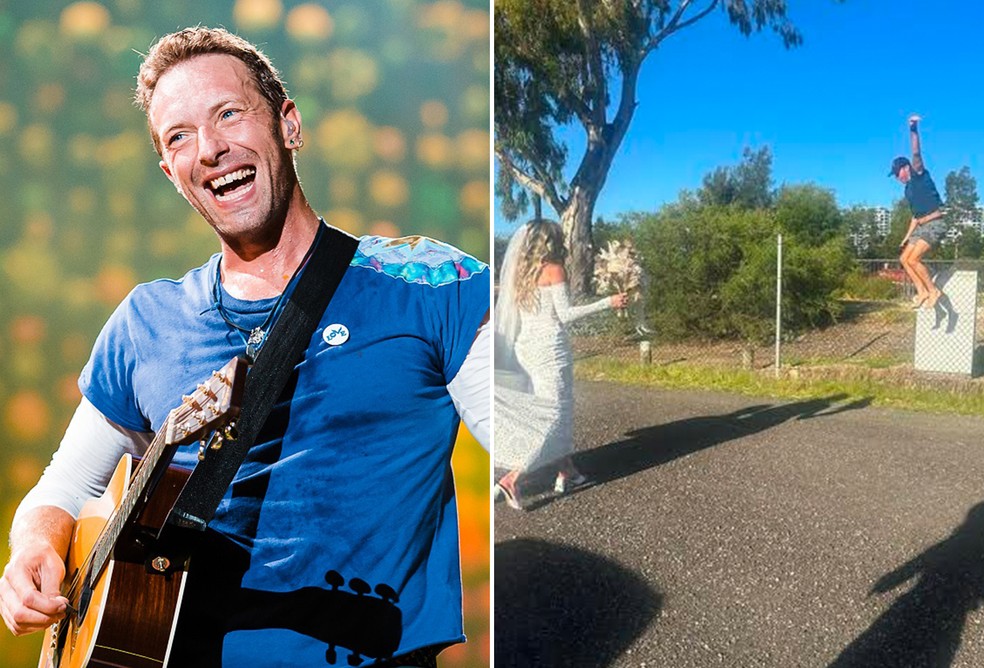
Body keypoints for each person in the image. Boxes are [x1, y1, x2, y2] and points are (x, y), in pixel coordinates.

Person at [0, 27, 489, 668]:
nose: (209, 148)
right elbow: (63, 489)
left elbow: (525, 449)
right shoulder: (146, 320)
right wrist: (34, 546)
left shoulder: (427, 285)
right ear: (170, 172)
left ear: (288, 124)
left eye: (229, 113)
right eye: (179, 137)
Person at [493, 219, 627, 510]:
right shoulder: (554, 269)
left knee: (548, 409)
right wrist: (608, 302)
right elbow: (565, 315)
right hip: (550, 351)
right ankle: (512, 478)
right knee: (555, 415)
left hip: (525, 349)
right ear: (552, 241)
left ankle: (568, 471)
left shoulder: (519, 273)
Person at [891, 114, 946, 310]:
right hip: (921, 226)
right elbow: (915, 217)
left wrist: (913, 130)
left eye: (897, 174)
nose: (897, 178)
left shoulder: (919, 175)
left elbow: (916, 152)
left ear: (905, 169)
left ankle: (933, 291)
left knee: (914, 259)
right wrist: (906, 238)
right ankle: (922, 291)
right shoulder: (908, 190)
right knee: (904, 259)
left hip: (935, 223)